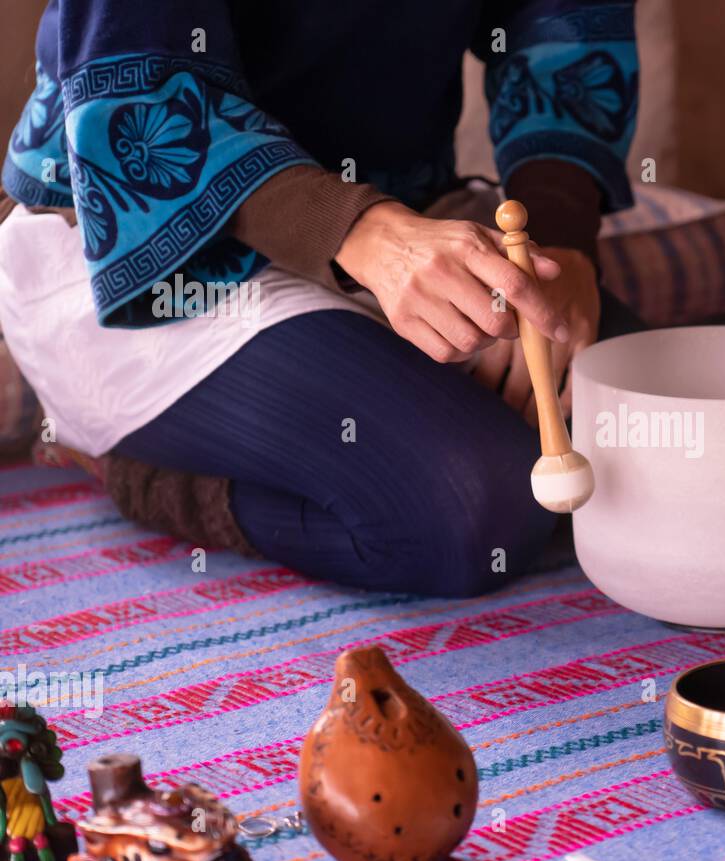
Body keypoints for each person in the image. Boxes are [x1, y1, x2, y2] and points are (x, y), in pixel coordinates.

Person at [0, 0, 640, 596]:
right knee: (474, 502)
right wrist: (357, 231)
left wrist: (560, 245)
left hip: (411, 219)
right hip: (155, 242)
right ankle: (146, 478)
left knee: (651, 442)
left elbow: (558, 18)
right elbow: (136, 95)